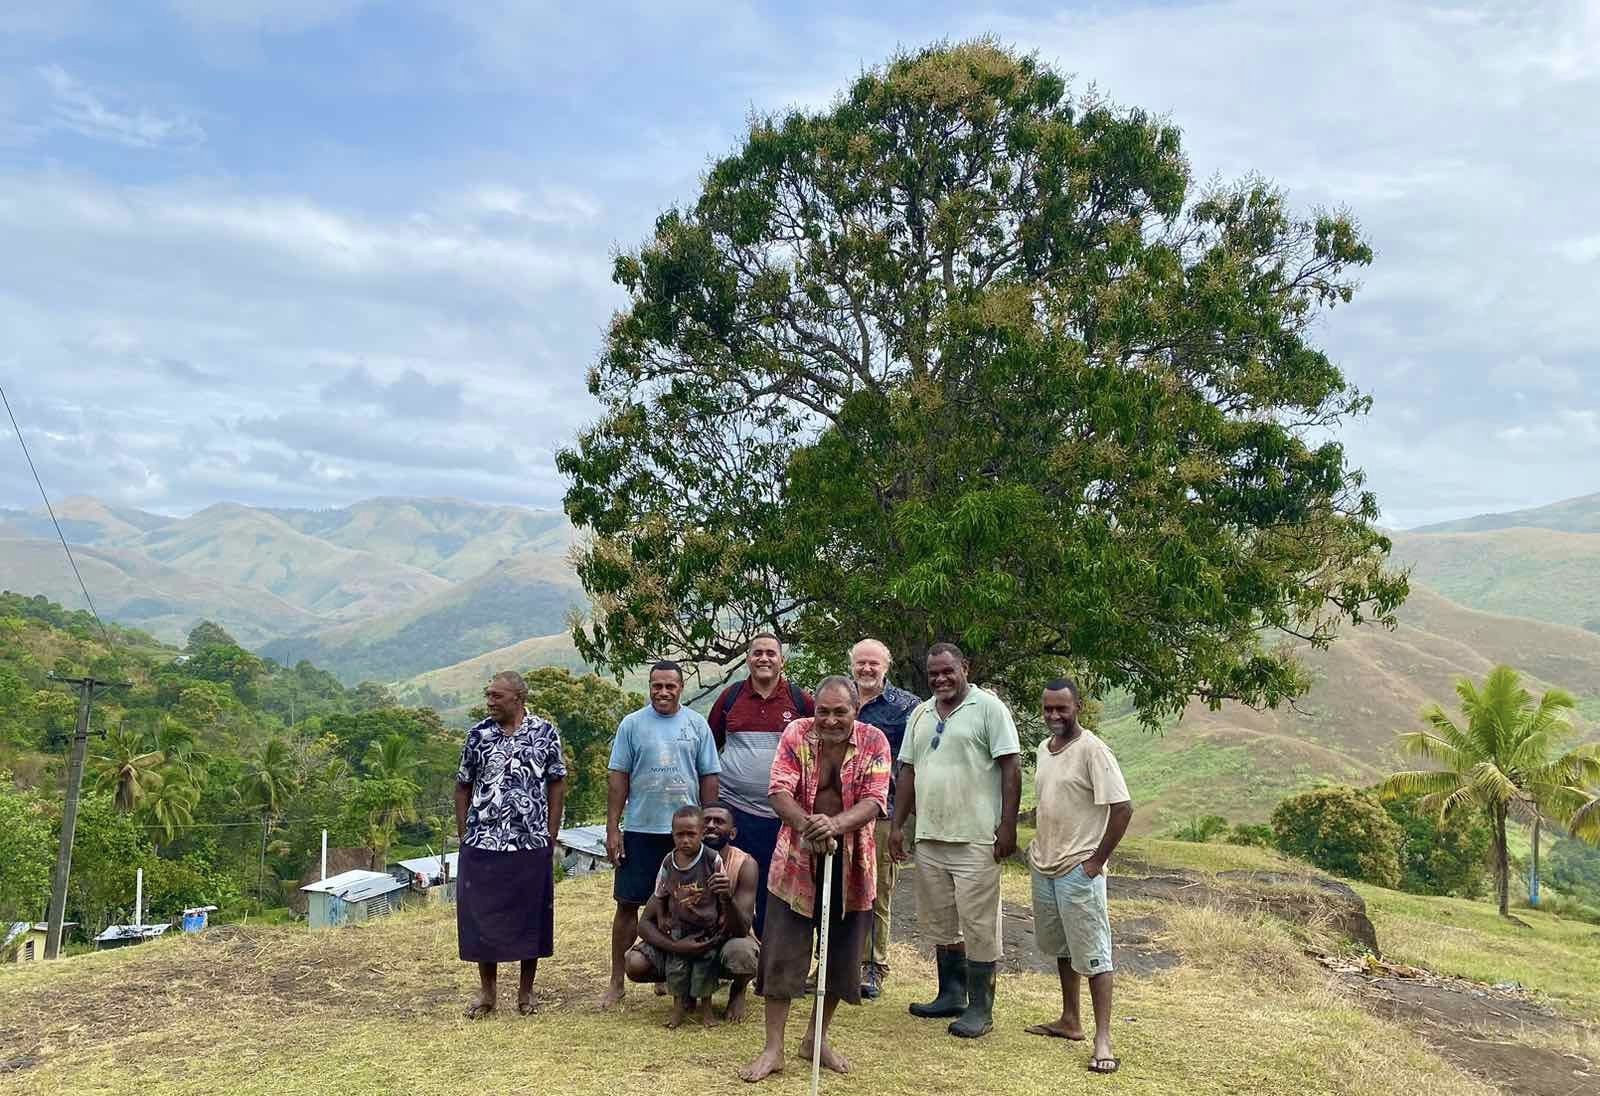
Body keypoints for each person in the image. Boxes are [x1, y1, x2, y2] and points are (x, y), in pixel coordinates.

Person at [740, 676, 890, 1084]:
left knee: (842, 956)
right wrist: (810, 827)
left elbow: (875, 800)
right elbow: (778, 791)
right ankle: (774, 1048)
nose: (830, 719)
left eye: (840, 711)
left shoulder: (875, 741)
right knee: (782, 953)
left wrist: (835, 826)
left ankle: (815, 1039)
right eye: (823, 710)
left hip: (853, 863)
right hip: (794, 860)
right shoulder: (795, 734)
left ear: (855, 711)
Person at [889, 642, 1021, 1039]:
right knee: (941, 922)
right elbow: (908, 770)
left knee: (979, 925)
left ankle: (981, 1008)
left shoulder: (989, 709)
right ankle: (951, 994)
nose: (941, 679)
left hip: (977, 838)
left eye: (949, 671)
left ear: (966, 666)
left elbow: (1011, 766)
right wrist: (898, 826)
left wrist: (1008, 826)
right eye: (934, 674)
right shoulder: (921, 712)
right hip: (930, 836)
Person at [1023, 678, 1133, 1076]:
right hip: (1046, 864)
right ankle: (1070, 1020)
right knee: (1064, 947)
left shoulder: (1093, 750)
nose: (1054, 716)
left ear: (1078, 708)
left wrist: (1095, 861)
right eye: (1048, 708)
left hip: (1078, 868)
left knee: (1094, 953)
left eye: (1062, 709)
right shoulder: (1044, 749)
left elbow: (1122, 808)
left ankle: (1103, 1039)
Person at [602, 660, 721, 1008]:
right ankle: (616, 981)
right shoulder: (632, 725)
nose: (663, 692)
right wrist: (613, 828)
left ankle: (668, 974)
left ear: (681, 688)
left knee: (682, 905)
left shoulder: (696, 725)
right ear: (649, 687)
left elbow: (709, 776)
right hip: (641, 828)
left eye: (670, 686)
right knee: (628, 905)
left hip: (684, 834)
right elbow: (618, 778)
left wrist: (708, 825)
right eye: (657, 686)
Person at [454, 671, 567, 1018]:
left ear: (518, 698)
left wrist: (549, 833)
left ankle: (526, 992)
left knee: (529, 915)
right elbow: (462, 785)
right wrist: (464, 835)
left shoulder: (545, 733)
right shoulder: (478, 736)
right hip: (482, 842)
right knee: (481, 917)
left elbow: (557, 783)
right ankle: (488, 993)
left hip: (529, 841)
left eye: (497, 696)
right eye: (488, 695)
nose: (489, 702)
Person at [709, 632, 812, 936]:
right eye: (757, 653)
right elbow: (708, 749)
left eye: (771, 653)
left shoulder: (799, 700)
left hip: (781, 816)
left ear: (783, 660)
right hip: (735, 811)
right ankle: (726, 951)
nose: (763, 658)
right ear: (748, 659)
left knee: (773, 886)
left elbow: (820, 743)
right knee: (731, 880)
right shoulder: (730, 697)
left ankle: (766, 957)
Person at [626, 804, 761, 1021]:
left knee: (742, 954)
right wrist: (676, 946)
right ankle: (683, 990)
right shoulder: (673, 863)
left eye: (719, 822)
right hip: (682, 939)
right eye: (706, 821)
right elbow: (644, 923)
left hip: (722, 939)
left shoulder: (744, 864)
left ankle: (738, 991)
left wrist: (726, 897)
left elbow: (742, 928)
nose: (711, 826)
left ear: (733, 832)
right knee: (635, 962)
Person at [849, 637, 921, 1000]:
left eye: (873, 663)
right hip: (840, 814)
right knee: (836, 888)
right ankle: (834, 962)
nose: (866, 669)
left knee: (877, 892)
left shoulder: (908, 707)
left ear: (886, 666)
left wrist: (902, 823)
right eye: (860, 663)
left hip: (883, 813)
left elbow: (914, 764)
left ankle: (873, 967)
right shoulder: (839, 700)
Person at [652, 805, 730, 1029]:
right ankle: (677, 1011)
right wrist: (661, 917)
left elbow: (722, 893)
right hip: (679, 927)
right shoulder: (669, 862)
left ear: (702, 834)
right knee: (676, 969)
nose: (685, 840)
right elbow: (659, 893)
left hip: (706, 928)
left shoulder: (712, 859)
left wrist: (723, 915)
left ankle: (707, 1012)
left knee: (705, 969)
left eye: (691, 834)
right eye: (680, 835)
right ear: (672, 834)